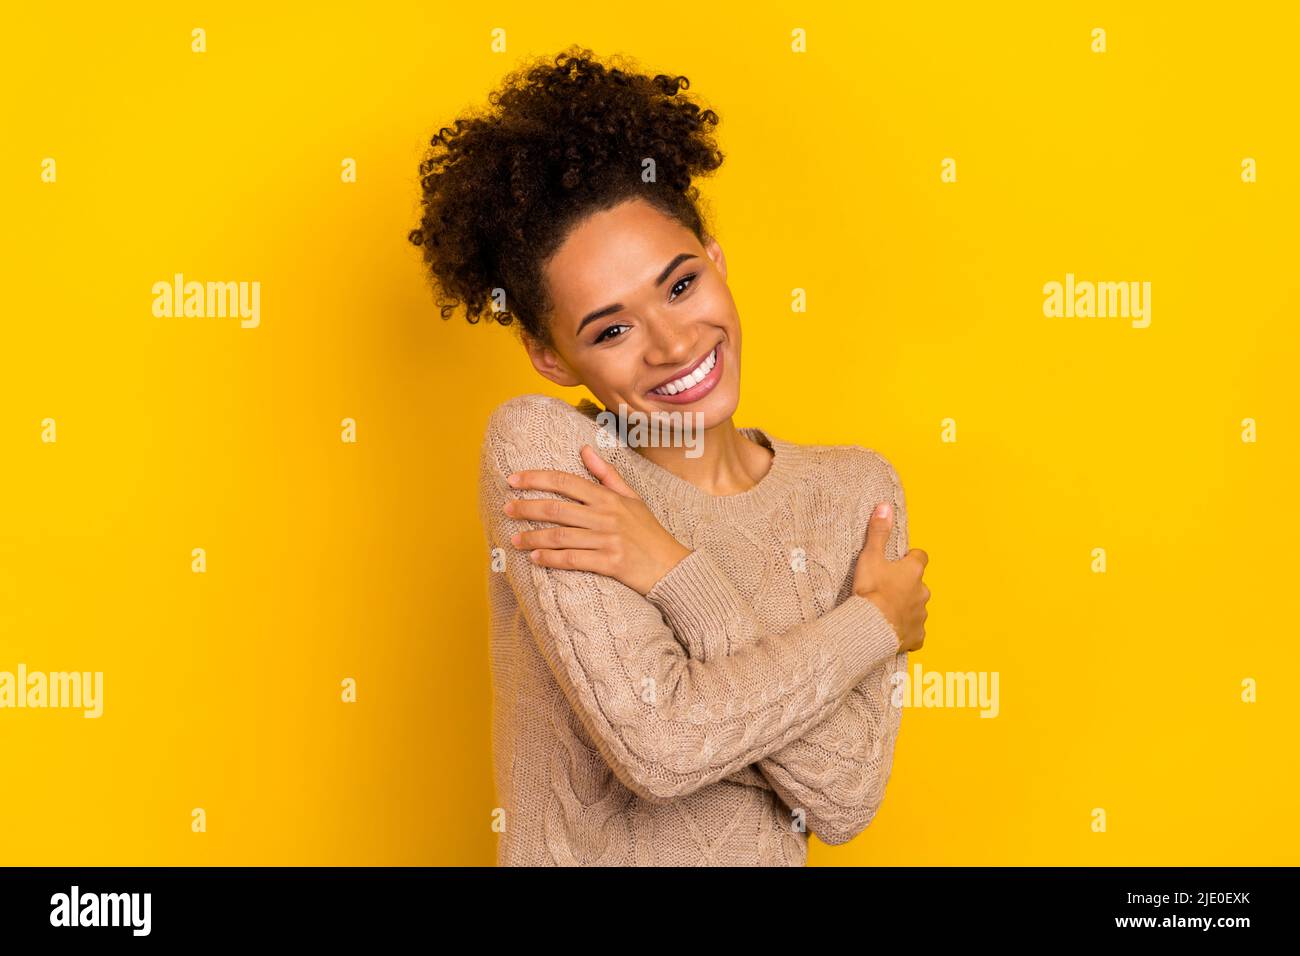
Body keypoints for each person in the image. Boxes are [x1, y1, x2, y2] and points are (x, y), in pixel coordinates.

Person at [408, 46, 931, 866]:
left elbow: (845, 797)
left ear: (716, 261)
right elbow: (660, 748)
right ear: (550, 356)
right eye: (610, 330)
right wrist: (869, 627)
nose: (674, 342)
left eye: (681, 284)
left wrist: (668, 569)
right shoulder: (553, 451)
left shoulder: (853, 492)